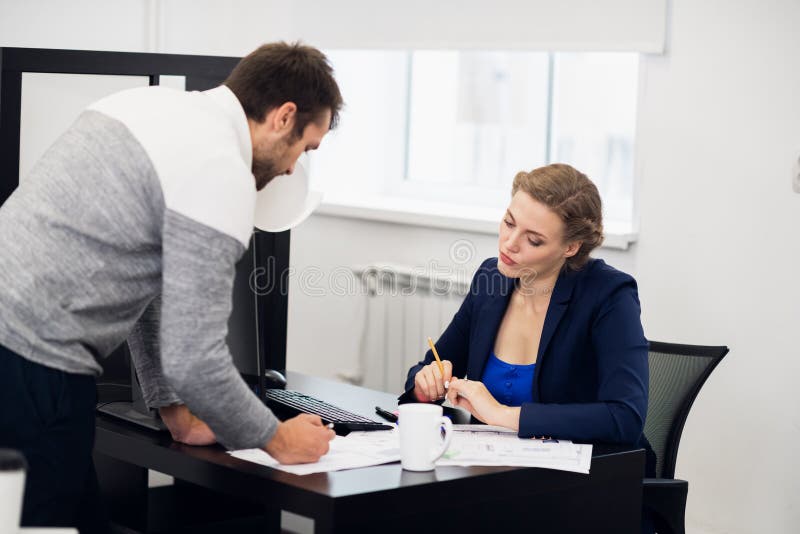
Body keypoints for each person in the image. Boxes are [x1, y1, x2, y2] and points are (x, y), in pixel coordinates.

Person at [0, 42, 342, 532]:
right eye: (304, 148)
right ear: (284, 117)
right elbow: (196, 359)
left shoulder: (150, 108)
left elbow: (144, 278)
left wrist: (173, 410)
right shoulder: (220, 169)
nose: (292, 169)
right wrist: (278, 438)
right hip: (32, 364)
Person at [400, 163, 654, 472]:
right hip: (491, 473)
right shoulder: (491, 279)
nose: (510, 243)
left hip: (583, 482)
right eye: (509, 223)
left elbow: (625, 417)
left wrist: (501, 414)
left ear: (571, 247)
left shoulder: (609, 295)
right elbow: (432, 365)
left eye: (533, 240)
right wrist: (425, 385)